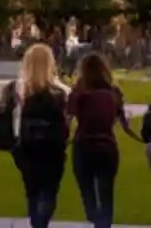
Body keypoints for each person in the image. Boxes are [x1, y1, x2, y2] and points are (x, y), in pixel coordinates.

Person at [67, 52, 144, 228]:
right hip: (107, 147)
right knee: (106, 192)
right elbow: (124, 124)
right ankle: (103, 223)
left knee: (87, 191)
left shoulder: (79, 92)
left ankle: (94, 216)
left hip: (83, 147)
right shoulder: (113, 92)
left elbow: (68, 118)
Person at [1, 43, 70, 228]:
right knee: (49, 191)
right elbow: (69, 121)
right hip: (53, 148)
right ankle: (42, 223)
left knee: (32, 191)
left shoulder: (16, 89)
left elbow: (7, 116)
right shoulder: (61, 92)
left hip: (26, 147)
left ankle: (36, 222)